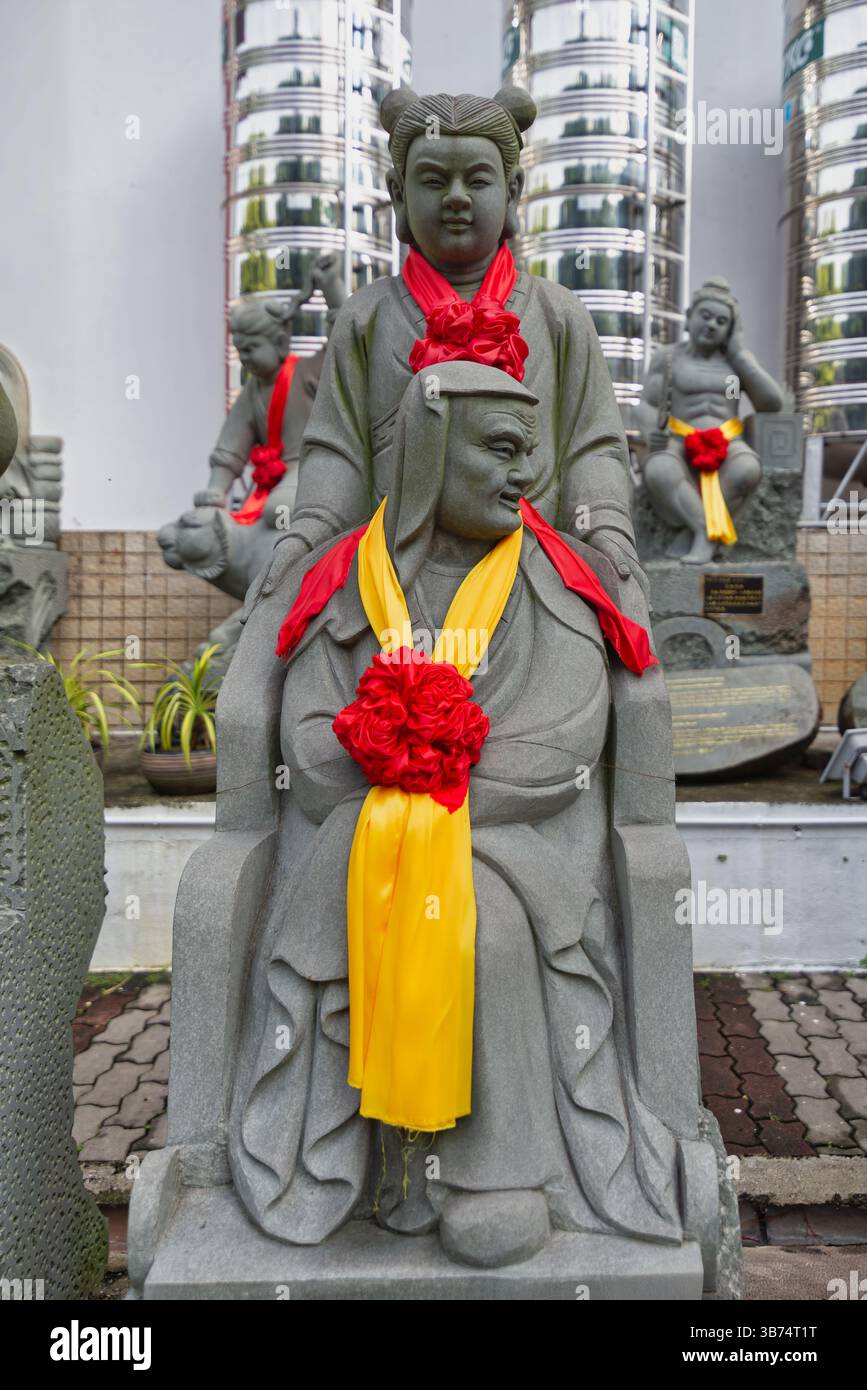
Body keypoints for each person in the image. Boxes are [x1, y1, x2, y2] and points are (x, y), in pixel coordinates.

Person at [226, 362, 686, 1268]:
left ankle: (490, 1172)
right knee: (357, 902)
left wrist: (435, 795)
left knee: (482, 919)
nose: (524, 475)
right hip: (360, 826)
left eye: (533, 454)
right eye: (500, 450)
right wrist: (378, 771)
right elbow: (309, 733)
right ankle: (382, 1166)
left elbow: (563, 743)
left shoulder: (550, 583)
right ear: (434, 448)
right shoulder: (352, 580)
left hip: (512, 838)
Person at [245, 86, 648, 624]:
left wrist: (607, 533)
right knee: (261, 680)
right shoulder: (365, 316)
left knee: (635, 681)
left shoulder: (558, 314)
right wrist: (308, 533)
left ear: (512, 190)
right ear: (397, 194)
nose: (456, 197)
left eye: (477, 181)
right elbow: (336, 450)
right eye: (434, 181)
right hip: (387, 570)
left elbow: (593, 447)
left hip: (533, 567)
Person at [640, 276, 784, 564]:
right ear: (689, 316)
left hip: (728, 439)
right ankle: (706, 528)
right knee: (659, 470)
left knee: (747, 468)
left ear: (731, 330)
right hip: (680, 439)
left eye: (721, 321)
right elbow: (647, 404)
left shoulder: (736, 362)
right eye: (705, 316)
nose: (712, 325)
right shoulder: (668, 358)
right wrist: (650, 432)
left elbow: (772, 403)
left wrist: (740, 353)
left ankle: (695, 532)